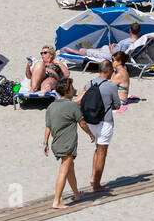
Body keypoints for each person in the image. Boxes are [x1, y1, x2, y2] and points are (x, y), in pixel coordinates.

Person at [43, 77, 95, 209]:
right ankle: (56, 201)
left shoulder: (51, 106)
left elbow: (48, 126)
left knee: (70, 169)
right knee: (63, 171)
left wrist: (45, 143)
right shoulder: (72, 106)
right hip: (67, 143)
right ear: (67, 90)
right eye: (72, 88)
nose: (73, 89)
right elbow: (82, 122)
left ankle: (76, 194)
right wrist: (90, 134)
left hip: (56, 143)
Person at [85, 61, 119, 193]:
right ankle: (97, 184)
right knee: (102, 152)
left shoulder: (90, 83)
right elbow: (117, 104)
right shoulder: (110, 85)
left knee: (97, 149)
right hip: (105, 121)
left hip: (90, 121)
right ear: (109, 70)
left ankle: (94, 176)